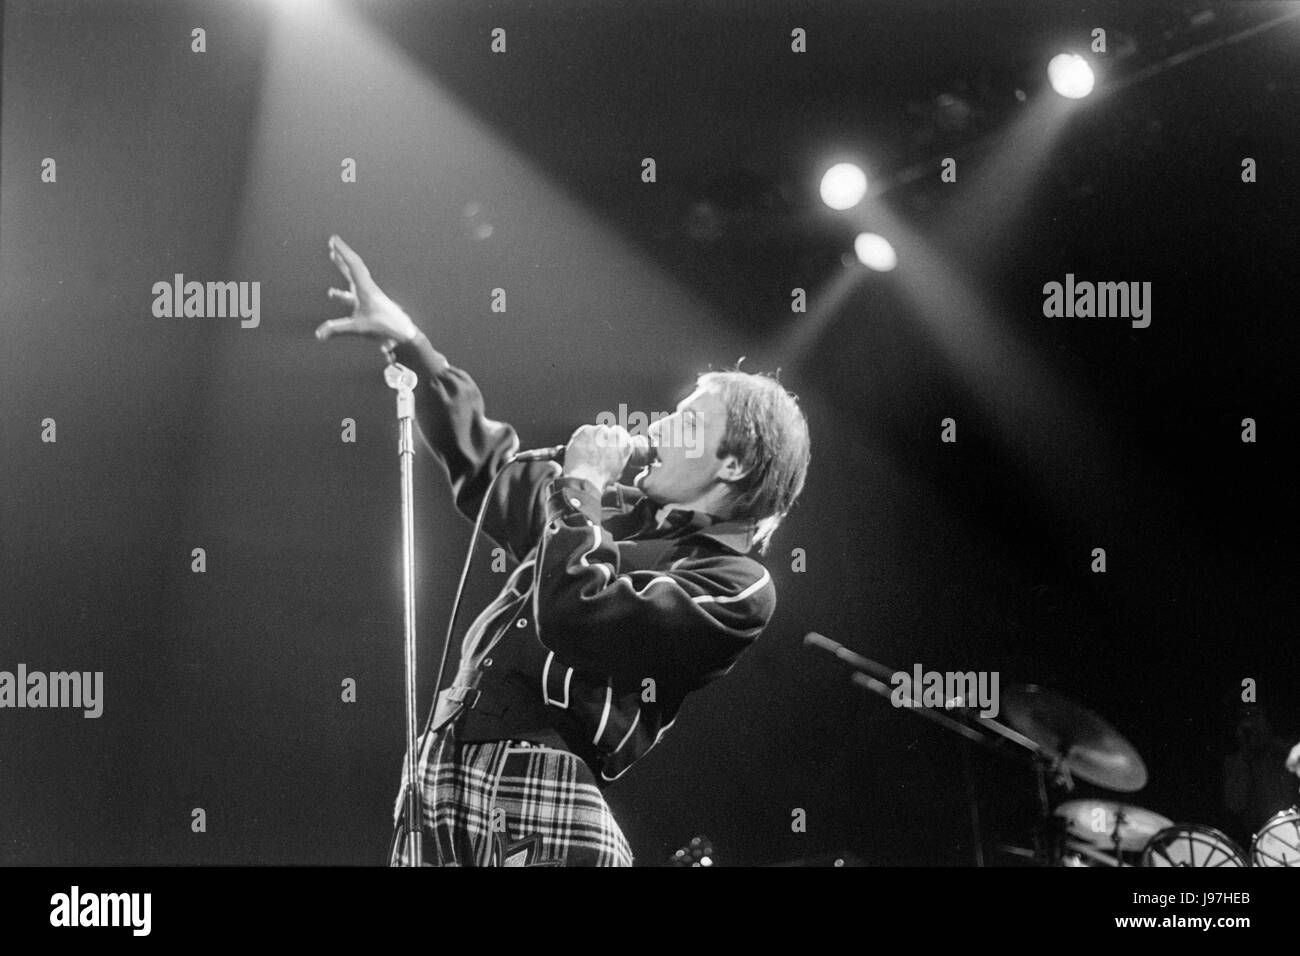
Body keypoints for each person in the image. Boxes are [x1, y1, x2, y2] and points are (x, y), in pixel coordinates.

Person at [316, 235, 811, 866]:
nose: (654, 427)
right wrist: (410, 344)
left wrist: (580, 487)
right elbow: (491, 467)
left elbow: (580, 612)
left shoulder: (735, 583)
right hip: (443, 763)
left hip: (537, 779)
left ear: (735, 464)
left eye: (687, 420)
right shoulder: (613, 512)